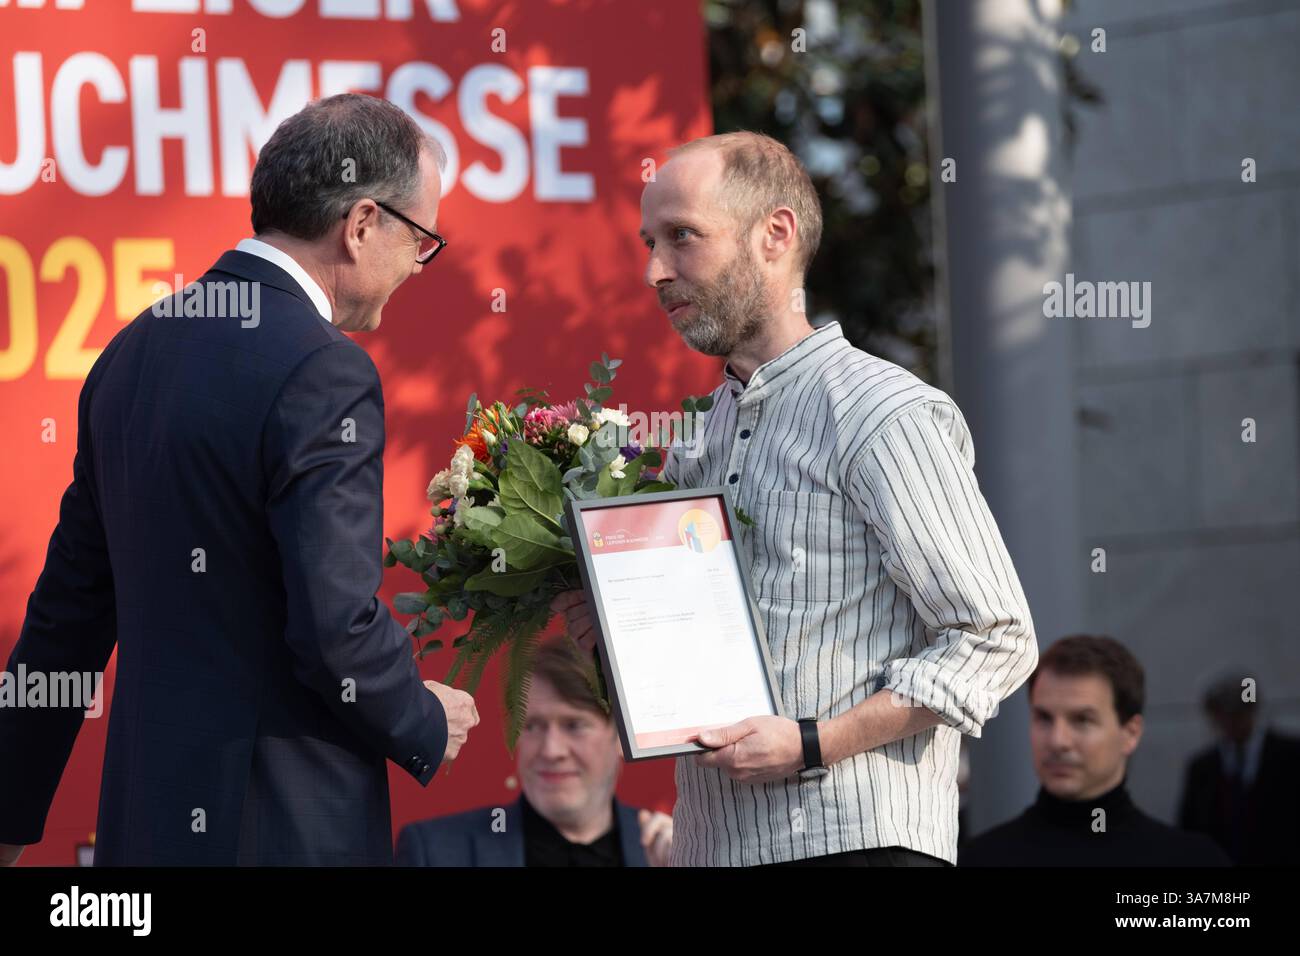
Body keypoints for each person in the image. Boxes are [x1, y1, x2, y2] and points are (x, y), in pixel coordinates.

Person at [0, 94, 478, 867]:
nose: (417, 268)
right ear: (361, 225)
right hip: (282, 829)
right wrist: (422, 716)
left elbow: (67, 618)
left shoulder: (131, 352)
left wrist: (10, 811)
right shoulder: (324, 368)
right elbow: (334, 630)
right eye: (421, 241)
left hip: (144, 832)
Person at [553, 131, 1038, 866]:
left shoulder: (884, 411)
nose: (655, 270)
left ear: (774, 234)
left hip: (859, 843)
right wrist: (615, 646)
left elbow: (997, 636)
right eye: (650, 242)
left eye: (683, 236)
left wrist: (815, 741)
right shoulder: (692, 441)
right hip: (710, 848)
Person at [396, 639, 672, 866]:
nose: (551, 750)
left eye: (574, 725)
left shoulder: (674, 854)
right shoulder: (435, 853)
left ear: (621, 737)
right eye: (532, 726)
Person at [959, 635, 1230, 866]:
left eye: (1082, 720)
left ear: (1130, 733)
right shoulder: (980, 860)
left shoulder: (1193, 861)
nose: (1058, 741)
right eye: (1044, 718)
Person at [1178, 672, 1300, 865]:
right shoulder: (1203, 768)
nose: (1229, 723)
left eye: (1236, 713)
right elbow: (1191, 829)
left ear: (1251, 712)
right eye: (1221, 715)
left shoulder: (1290, 756)